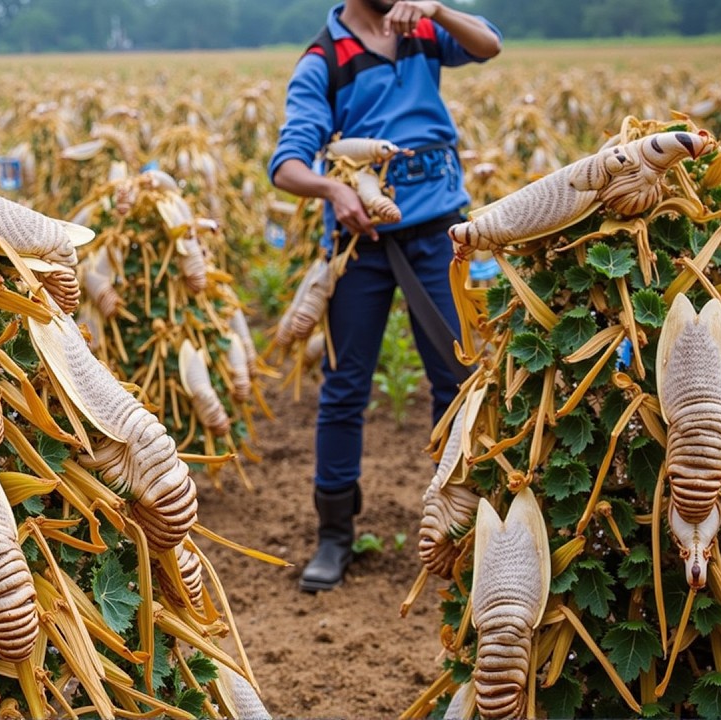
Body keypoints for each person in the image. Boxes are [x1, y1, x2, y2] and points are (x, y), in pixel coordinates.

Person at [268, 0, 501, 593]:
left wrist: (439, 9)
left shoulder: (424, 28)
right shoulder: (324, 59)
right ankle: (335, 536)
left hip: (441, 234)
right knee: (345, 388)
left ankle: (459, 527)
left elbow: (488, 44)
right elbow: (287, 165)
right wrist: (331, 190)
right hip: (361, 247)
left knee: (457, 379)